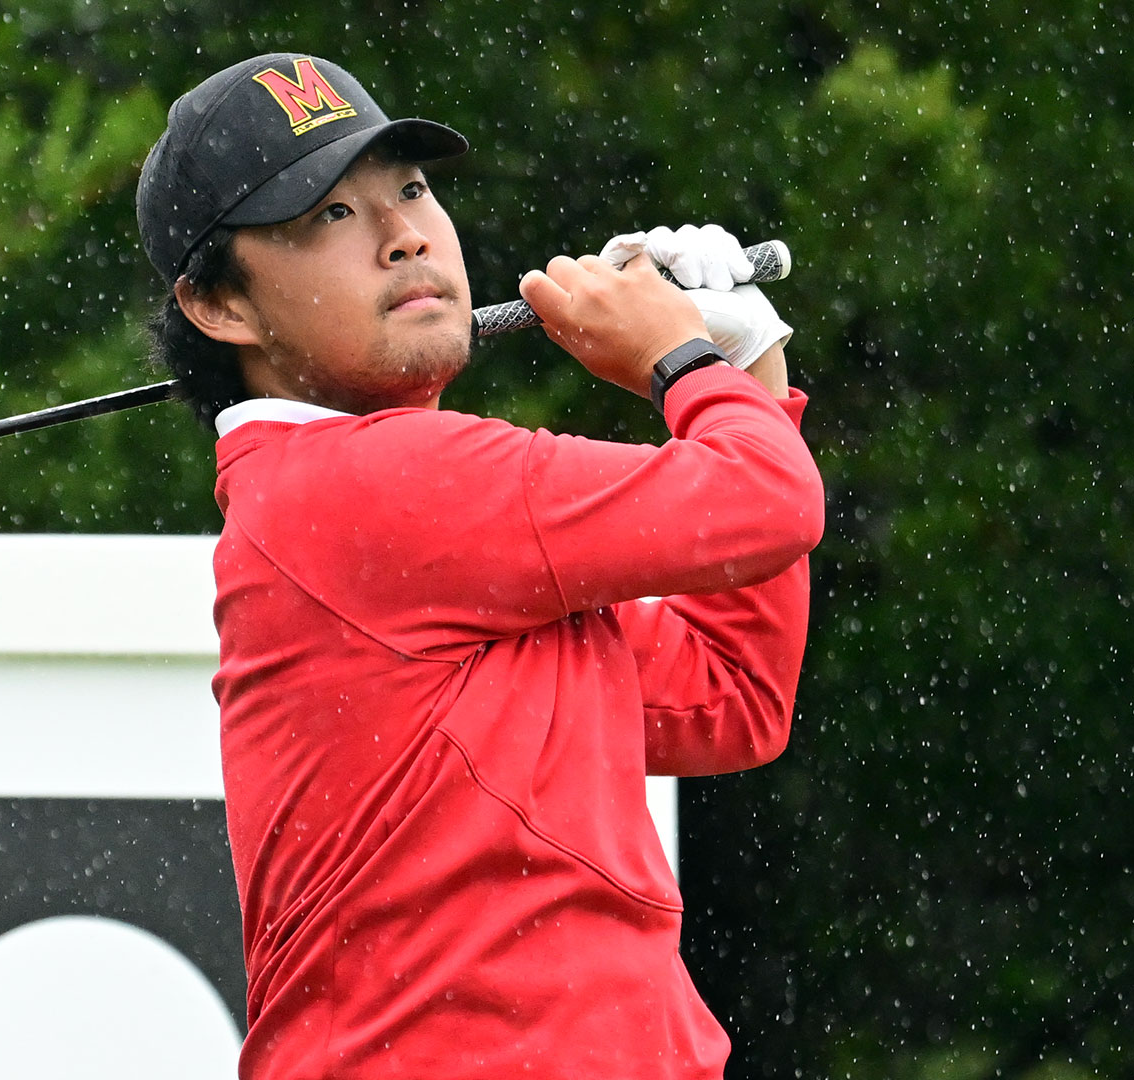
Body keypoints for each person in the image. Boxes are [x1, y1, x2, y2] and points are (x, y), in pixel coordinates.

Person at [135, 52, 823, 1080]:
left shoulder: (399, 518)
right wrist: (681, 360)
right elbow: (766, 500)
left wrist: (747, 372)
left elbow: (729, 700)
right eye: (331, 214)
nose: (405, 234)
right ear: (222, 307)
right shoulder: (366, 483)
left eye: (411, 191)